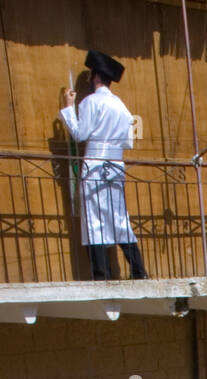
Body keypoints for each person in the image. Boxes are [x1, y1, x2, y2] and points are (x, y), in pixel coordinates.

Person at [59, 50, 147, 280]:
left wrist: (68, 108)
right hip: (116, 165)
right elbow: (129, 140)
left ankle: (102, 274)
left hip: (95, 164)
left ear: (94, 76)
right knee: (119, 217)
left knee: (94, 219)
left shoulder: (90, 102)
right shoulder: (122, 106)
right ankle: (138, 270)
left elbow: (80, 133)